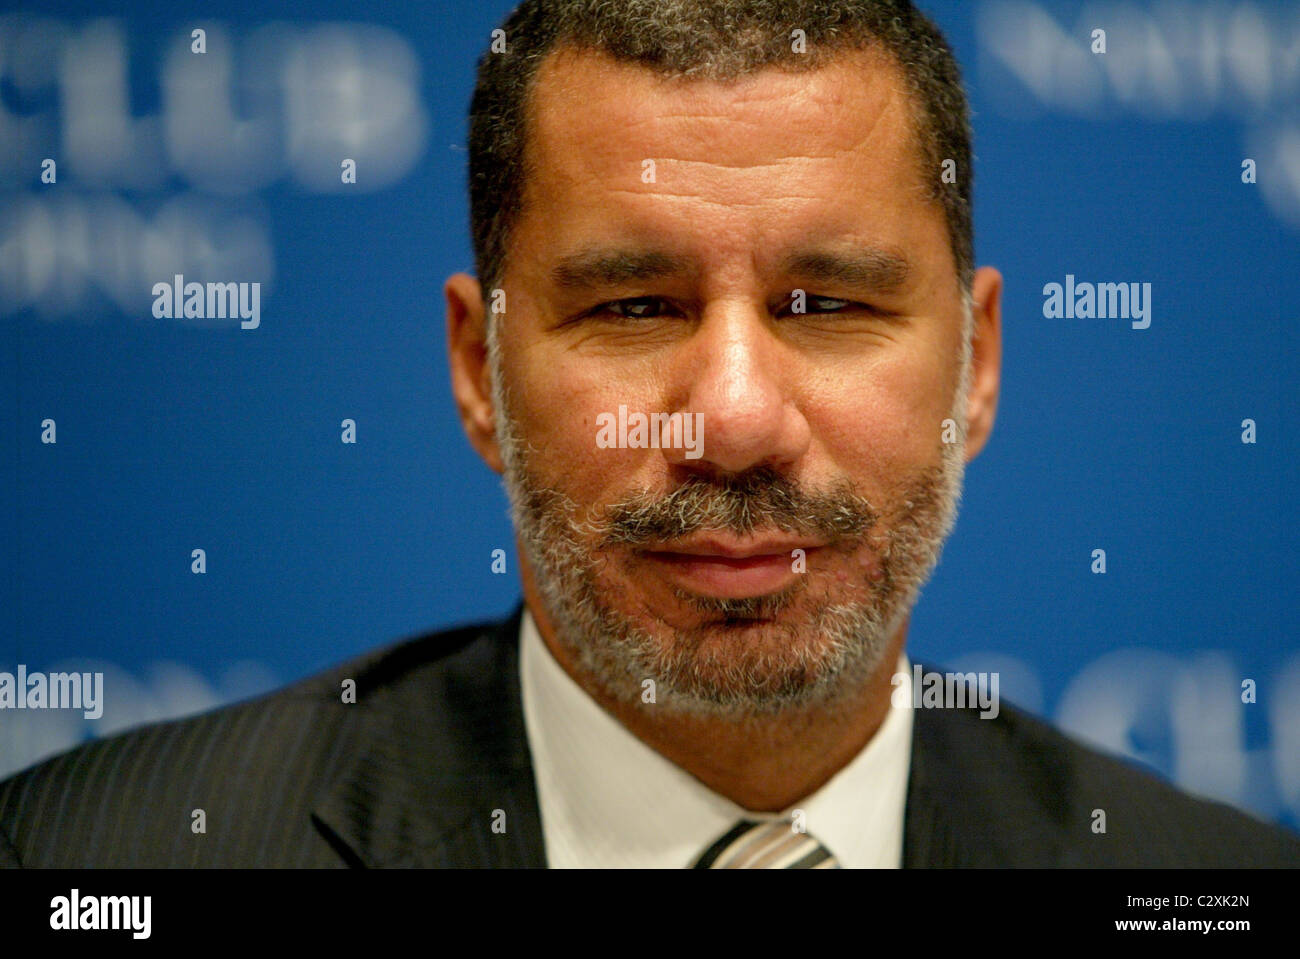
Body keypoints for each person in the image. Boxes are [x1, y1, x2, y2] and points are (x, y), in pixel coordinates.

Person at [2, 0, 1296, 868]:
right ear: (476, 370)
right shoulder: (100, 861)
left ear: (979, 361)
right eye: (631, 304)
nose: (734, 420)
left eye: (827, 304)